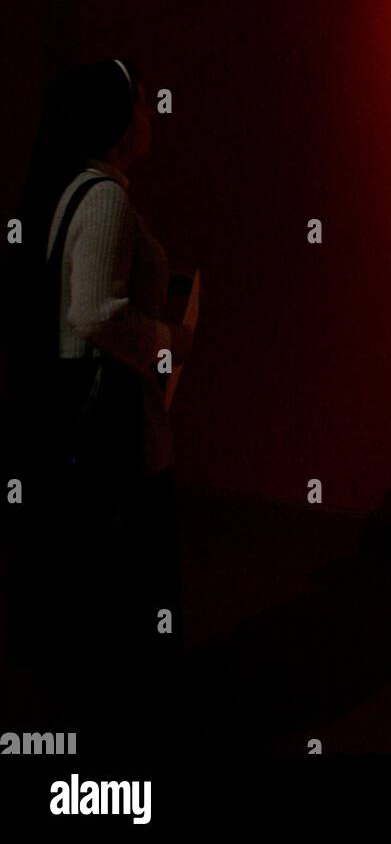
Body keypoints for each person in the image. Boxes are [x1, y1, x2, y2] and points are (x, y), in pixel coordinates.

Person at [7, 58, 195, 731]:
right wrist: (167, 337)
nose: (150, 112)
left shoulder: (79, 188)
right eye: (141, 103)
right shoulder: (107, 196)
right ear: (115, 124)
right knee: (131, 571)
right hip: (113, 419)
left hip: (89, 412)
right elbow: (93, 310)